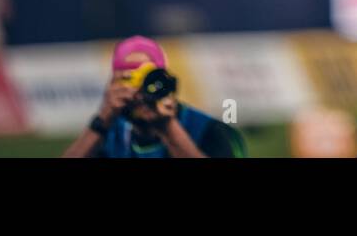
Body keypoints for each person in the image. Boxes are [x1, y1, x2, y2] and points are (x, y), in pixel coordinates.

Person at [63, 36, 242, 158]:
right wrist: (102, 121)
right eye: (128, 80)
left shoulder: (207, 129)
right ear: (112, 85)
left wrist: (167, 127)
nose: (140, 92)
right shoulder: (113, 137)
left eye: (147, 80)